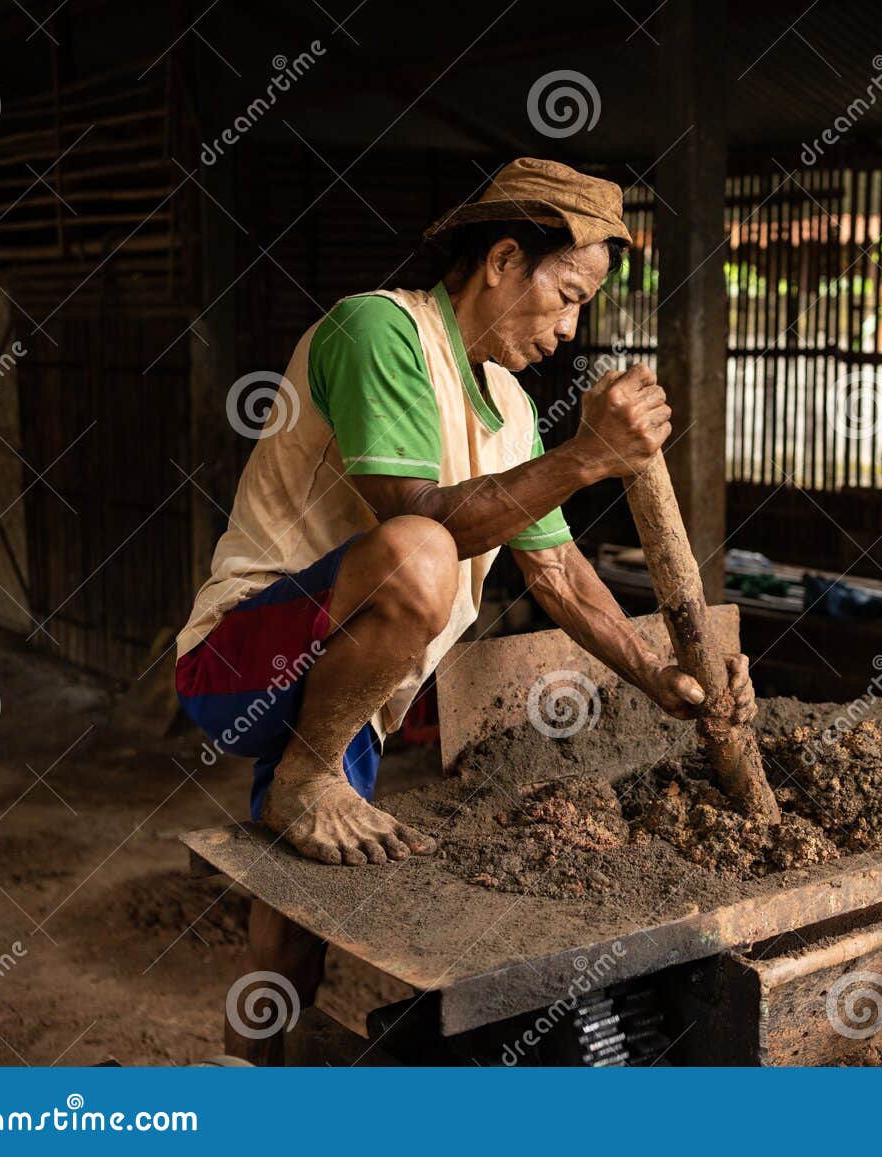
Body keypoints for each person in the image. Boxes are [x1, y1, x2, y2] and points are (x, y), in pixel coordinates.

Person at [174, 158, 755, 1062]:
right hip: (246, 657)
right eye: (564, 296)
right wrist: (585, 457)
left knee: (296, 927)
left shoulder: (514, 409)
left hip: (345, 692)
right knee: (423, 550)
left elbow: (557, 572)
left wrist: (657, 673)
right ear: (502, 259)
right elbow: (416, 524)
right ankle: (304, 774)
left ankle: (249, 1076)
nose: (567, 333)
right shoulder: (382, 331)